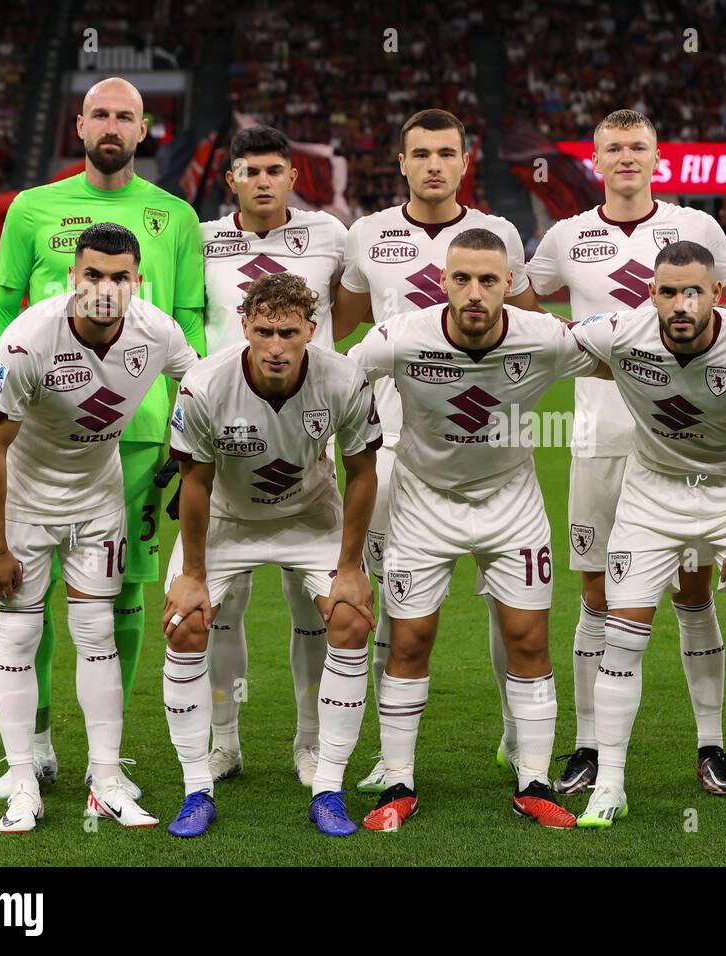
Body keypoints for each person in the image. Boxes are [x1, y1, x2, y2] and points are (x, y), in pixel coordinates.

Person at [0, 77, 205, 800]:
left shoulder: (176, 216)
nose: (111, 125)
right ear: (79, 124)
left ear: (143, 130)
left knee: (122, 596)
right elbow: (3, 302)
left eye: (124, 116)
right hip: (36, 423)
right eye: (99, 113)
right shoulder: (33, 207)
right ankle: (35, 741)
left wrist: (182, 435)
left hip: (133, 435)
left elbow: (189, 324)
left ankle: (110, 754)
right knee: (27, 597)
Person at [348, 229, 608, 831]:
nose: (474, 293)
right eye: (461, 279)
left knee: (528, 641)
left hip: (511, 503)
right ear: (442, 282)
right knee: (409, 642)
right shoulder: (399, 338)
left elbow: (620, 360)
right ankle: (397, 781)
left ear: (509, 285)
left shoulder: (542, 338)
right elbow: (337, 378)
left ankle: (535, 782)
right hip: (422, 505)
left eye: (489, 280)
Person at [527, 108, 726, 796]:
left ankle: (710, 742)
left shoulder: (698, 229)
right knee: (595, 592)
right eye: (614, 147)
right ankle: (589, 745)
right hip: (597, 438)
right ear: (595, 158)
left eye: (638, 147)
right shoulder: (566, 237)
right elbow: (525, 307)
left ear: (659, 157)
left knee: (691, 589)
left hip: (685, 441)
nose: (626, 157)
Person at [332, 109, 538, 791]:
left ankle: (517, 737)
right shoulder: (368, 233)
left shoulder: (498, 234)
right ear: (401, 161)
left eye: (446, 153)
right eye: (420, 153)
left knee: (503, 599)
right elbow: (342, 328)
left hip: (489, 444)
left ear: (464, 160)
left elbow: (531, 322)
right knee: (399, 601)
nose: (433, 165)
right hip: (391, 446)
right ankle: (390, 761)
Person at [569, 241, 726, 831]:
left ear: (716, 293)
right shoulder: (621, 332)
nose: (680, 303)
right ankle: (611, 785)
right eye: (668, 291)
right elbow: (544, 343)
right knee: (623, 637)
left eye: (693, 291)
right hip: (652, 495)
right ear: (652, 294)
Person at [161, 272, 382, 837]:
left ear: (311, 330)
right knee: (185, 625)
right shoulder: (205, 384)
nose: (276, 347)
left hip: (311, 517)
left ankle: (327, 784)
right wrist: (191, 574)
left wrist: (352, 569)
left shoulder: (344, 378)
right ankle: (198, 787)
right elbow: (194, 484)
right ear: (245, 328)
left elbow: (361, 474)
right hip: (228, 521)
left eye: (289, 332)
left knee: (352, 620)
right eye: (264, 332)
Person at [199, 124, 349, 787]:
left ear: (293, 177)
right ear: (230, 177)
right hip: (221, 436)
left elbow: (355, 308)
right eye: (249, 169)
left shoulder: (330, 236)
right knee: (220, 604)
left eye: (275, 170)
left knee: (309, 600)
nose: (263, 180)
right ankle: (224, 742)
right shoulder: (201, 240)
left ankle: (310, 743)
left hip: (308, 435)